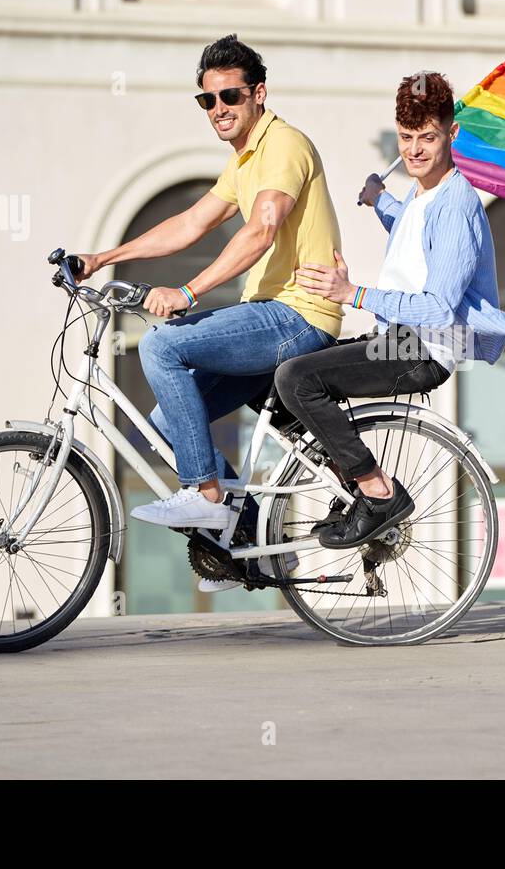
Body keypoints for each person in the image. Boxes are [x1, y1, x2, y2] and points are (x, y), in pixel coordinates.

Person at [75, 35, 342, 531]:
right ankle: (244, 542)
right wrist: (104, 258)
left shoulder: (282, 145)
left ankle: (206, 492)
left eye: (230, 96)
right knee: (168, 425)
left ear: (258, 93)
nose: (218, 108)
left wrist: (187, 292)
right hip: (267, 315)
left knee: (160, 345)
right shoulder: (242, 160)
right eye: (207, 100)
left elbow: (261, 229)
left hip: (297, 315)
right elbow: (191, 223)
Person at [277, 71, 505, 550]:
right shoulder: (426, 195)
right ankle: (355, 486)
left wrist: (352, 294)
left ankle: (378, 495)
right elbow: (413, 231)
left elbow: (439, 306)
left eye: (428, 137)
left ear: (451, 134)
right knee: (276, 385)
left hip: (421, 350)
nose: (415, 150)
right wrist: (381, 201)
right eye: (406, 138)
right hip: (398, 340)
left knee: (297, 379)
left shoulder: (457, 204)